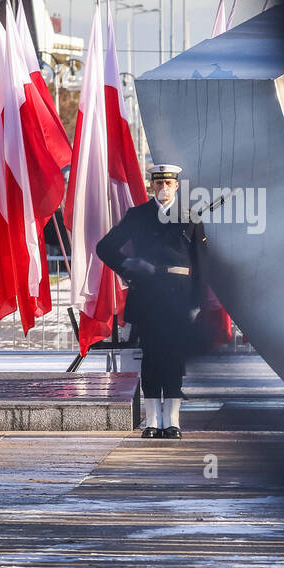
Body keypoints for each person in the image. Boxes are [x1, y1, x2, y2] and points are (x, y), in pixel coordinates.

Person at [96, 164, 202, 439]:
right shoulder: (138, 215)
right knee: (152, 357)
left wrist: (196, 303)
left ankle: (173, 419)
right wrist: (129, 263)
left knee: (174, 358)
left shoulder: (190, 217)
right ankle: (154, 418)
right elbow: (105, 247)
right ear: (151, 185)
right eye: (159, 183)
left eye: (168, 183)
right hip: (148, 295)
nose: (163, 188)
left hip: (179, 296)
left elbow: (202, 264)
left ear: (177, 186)